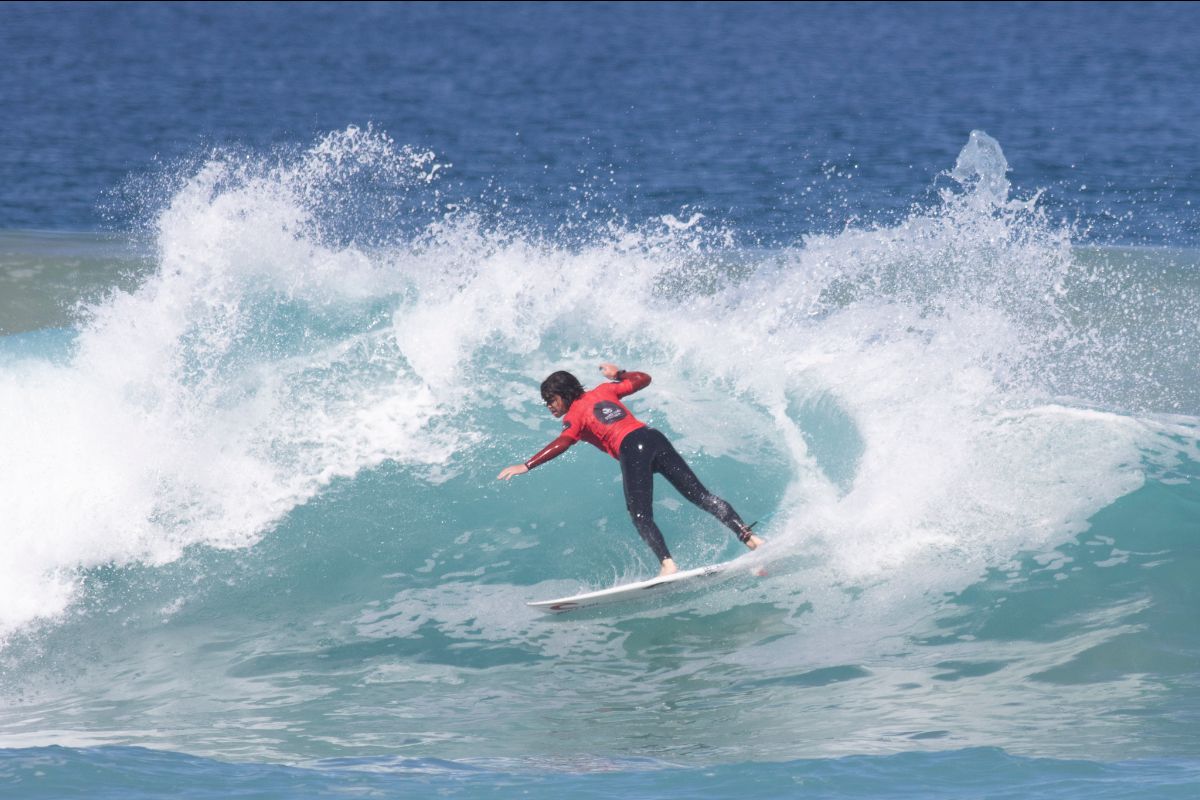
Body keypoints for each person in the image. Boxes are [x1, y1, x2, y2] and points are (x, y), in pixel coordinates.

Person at [497, 363, 763, 576]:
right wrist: (620, 374)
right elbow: (644, 379)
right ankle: (750, 539)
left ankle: (668, 565)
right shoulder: (604, 390)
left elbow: (563, 442)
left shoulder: (573, 416)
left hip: (631, 447)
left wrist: (527, 465)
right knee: (701, 496)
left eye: (550, 400)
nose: (549, 406)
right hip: (654, 438)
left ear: (563, 394)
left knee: (640, 515)